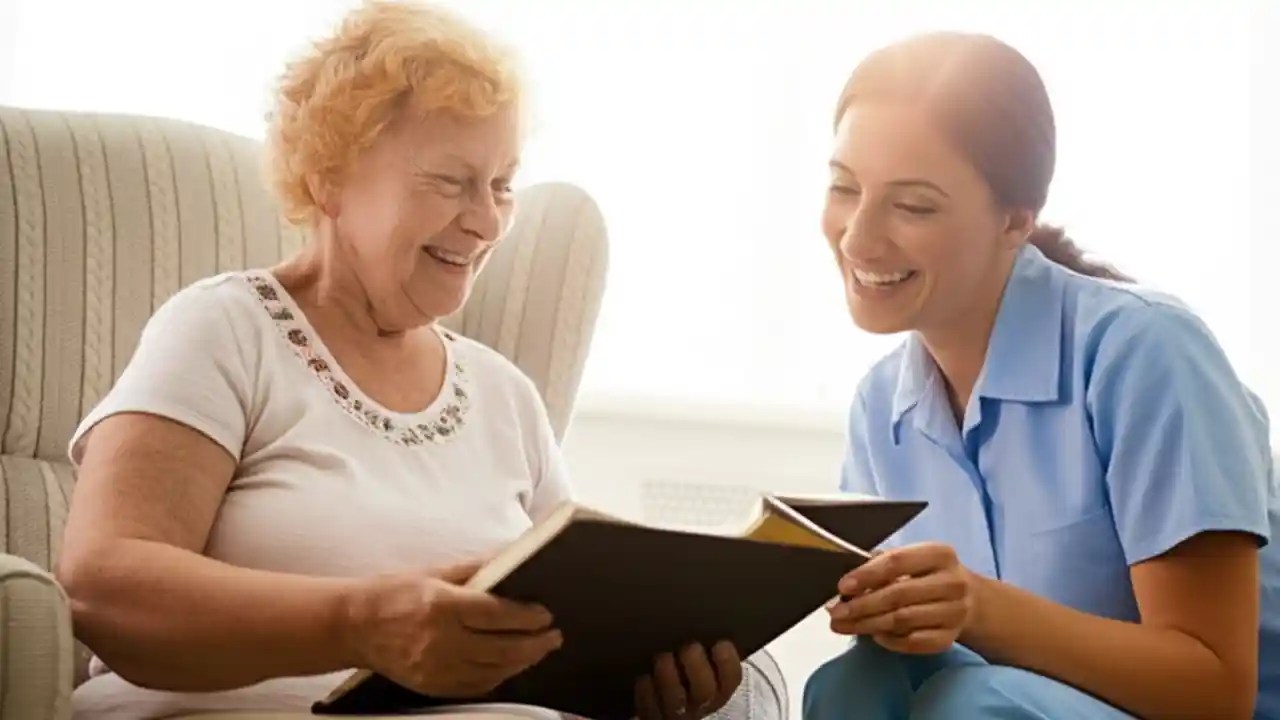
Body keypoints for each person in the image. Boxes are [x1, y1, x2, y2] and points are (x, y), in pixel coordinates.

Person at [55, 2, 752, 718]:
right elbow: (103, 589)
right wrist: (361, 624)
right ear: (330, 176)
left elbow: (581, 616)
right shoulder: (226, 330)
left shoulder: (504, 395)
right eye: (451, 182)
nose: (486, 220)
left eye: (502, 184)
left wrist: (649, 677)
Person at [801, 31, 1277, 720]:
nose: (858, 237)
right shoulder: (882, 408)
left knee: (971, 702)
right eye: (845, 187)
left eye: (914, 206)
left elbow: (1215, 691)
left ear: (1016, 221)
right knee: (854, 684)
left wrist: (977, 607)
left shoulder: (1144, 354)